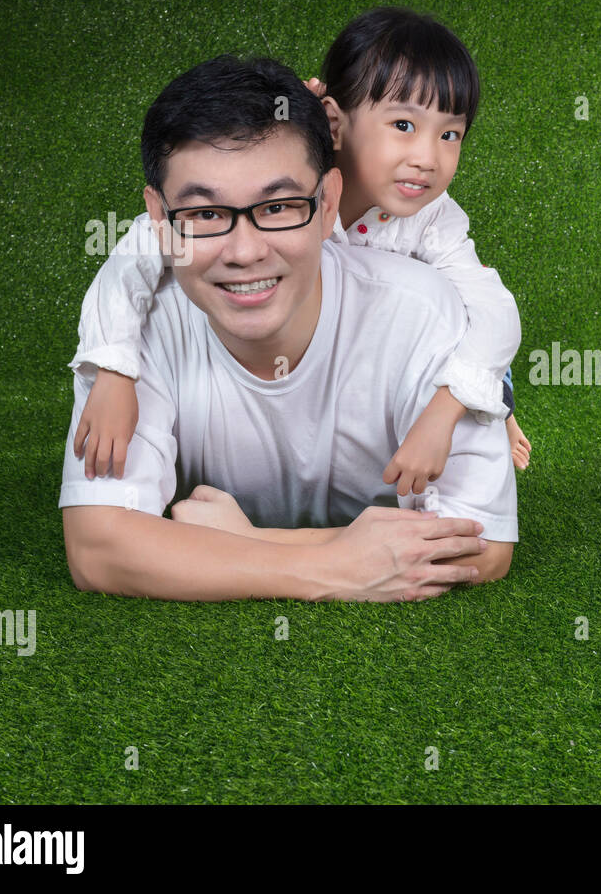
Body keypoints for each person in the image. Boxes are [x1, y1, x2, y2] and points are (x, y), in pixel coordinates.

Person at [59, 55, 516, 603]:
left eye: (278, 206)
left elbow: (481, 544)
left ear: (327, 204)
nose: (246, 251)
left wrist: (250, 541)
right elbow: (97, 547)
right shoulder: (132, 331)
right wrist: (338, 567)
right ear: (159, 220)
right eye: (205, 215)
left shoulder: (424, 311)